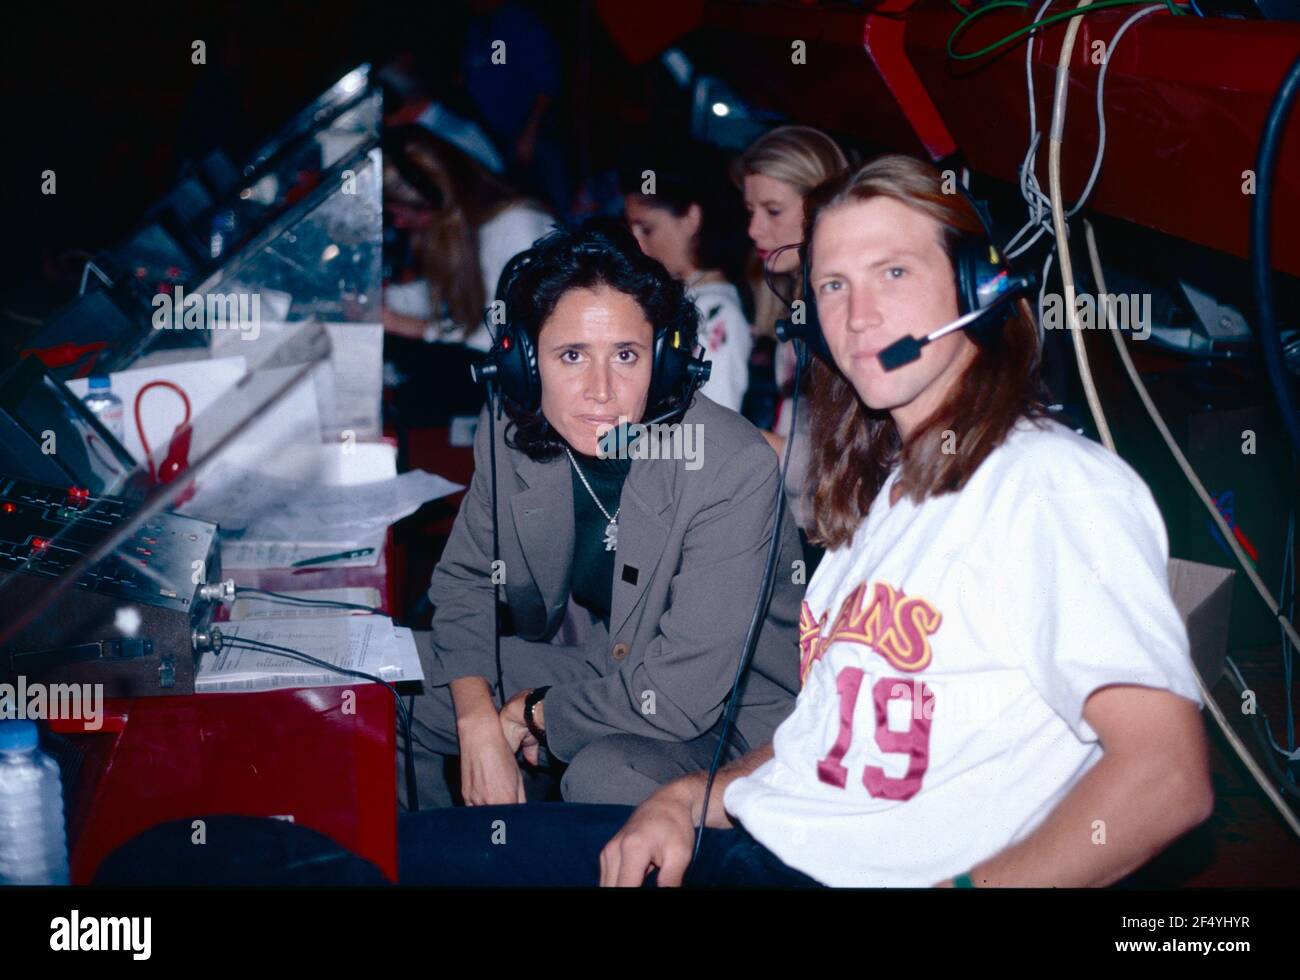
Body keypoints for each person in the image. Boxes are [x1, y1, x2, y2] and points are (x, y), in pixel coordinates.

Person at [397, 154, 1213, 887]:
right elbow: (820, 750)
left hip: (810, 862)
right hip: (768, 836)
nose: (858, 314)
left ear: (978, 288)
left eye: (893, 272)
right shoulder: (884, 505)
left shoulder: (1049, 485)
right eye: (832, 285)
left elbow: (1166, 778)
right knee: (393, 852)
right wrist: (685, 799)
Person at [398, 219, 803, 810]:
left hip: (728, 712)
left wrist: (539, 714)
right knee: (389, 685)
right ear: (525, 366)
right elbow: (466, 584)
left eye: (626, 355)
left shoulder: (729, 466)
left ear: (663, 364)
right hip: (603, 664)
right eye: (570, 356)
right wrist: (477, 720)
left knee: (604, 776)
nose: (601, 391)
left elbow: (680, 697)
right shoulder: (512, 432)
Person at [732, 125, 847, 542]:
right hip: (796, 522)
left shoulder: (840, 316)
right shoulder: (794, 298)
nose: (754, 229)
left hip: (829, 534)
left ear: (821, 208)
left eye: (773, 211)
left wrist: (751, 447)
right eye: (750, 212)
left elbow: (850, 464)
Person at [622, 155, 755, 415]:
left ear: (692, 218)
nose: (637, 244)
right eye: (631, 230)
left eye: (647, 229)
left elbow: (718, 421)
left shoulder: (718, 312)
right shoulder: (678, 296)